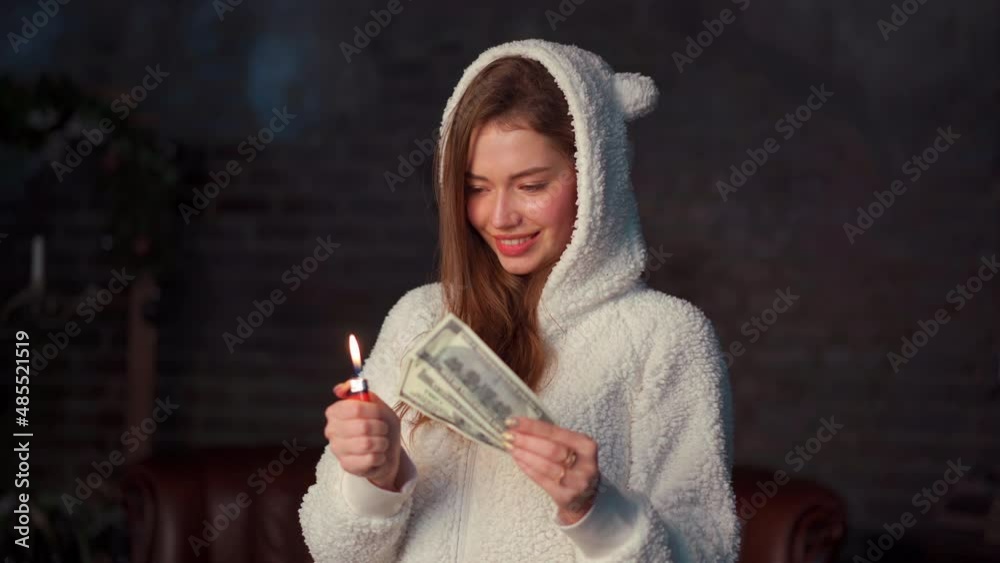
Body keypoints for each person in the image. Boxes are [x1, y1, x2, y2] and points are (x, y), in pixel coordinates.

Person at [299, 38, 739, 562]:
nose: (499, 217)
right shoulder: (421, 318)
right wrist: (375, 477)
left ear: (598, 181)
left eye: (530, 185)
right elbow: (336, 552)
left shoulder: (666, 337)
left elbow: (707, 555)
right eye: (477, 187)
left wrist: (594, 511)